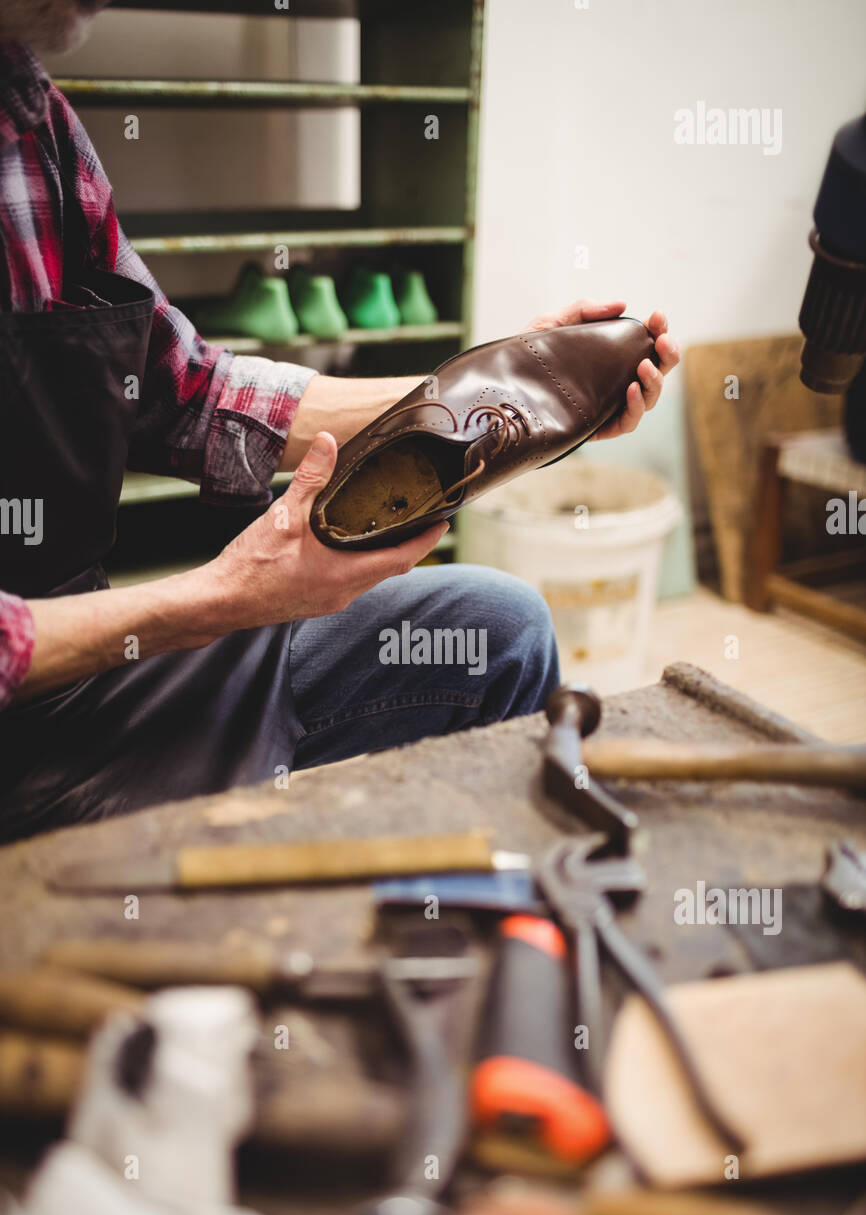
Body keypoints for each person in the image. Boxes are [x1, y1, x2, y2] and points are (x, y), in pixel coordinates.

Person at [0, 3, 680, 839]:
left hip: (90, 676)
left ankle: (475, 912)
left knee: (495, 631)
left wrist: (480, 395)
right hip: (26, 713)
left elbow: (185, 392)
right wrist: (223, 597)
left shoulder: (34, 123)